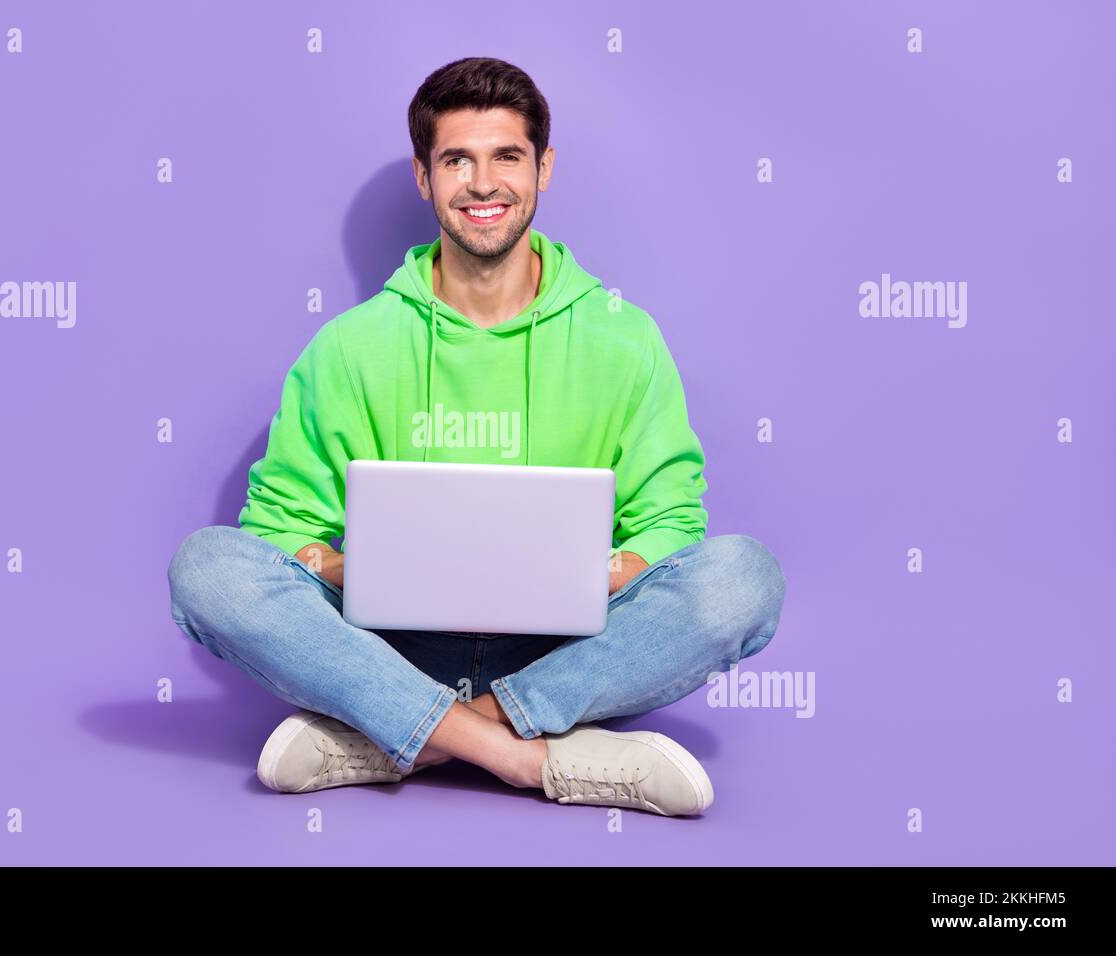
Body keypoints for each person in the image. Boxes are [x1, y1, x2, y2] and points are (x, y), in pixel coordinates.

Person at [167, 57, 786, 817]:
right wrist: (351, 564)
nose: (483, 183)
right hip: (392, 646)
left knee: (744, 579)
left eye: (507, 157)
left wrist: (585, 575)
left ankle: (402, 739)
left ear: (544, 168)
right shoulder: (350, 347)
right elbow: (279, 527)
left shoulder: (625, 340)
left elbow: (670, 525)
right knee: (208, 568)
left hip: (565, 651)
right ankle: (529, 760)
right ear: (425, 179)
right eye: (457, 159)